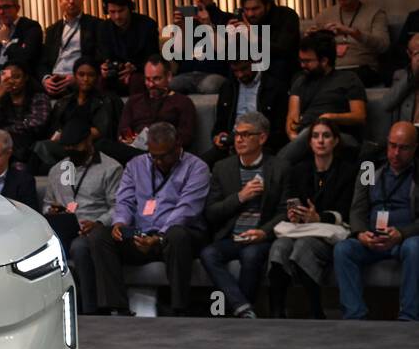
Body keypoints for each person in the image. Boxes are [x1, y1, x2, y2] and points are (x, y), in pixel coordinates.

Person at [83, 122, 210, 315]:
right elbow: (125, 200)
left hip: (176, 234)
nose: (158, 161)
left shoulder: (196, 168)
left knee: (177, 236)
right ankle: (117, 307)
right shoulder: (136, 165)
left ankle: (180, 308)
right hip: (141, 233)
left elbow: (187, 209)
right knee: (99, 236)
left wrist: (159, 237)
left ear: (178, 144)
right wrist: (120, 223)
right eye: (154, 156)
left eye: (164, 155)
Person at [199, 112, 288, 318]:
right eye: (237, 134)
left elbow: (284, 211)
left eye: (246, 135)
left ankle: (239, 311)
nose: (239, 139)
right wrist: (240, 197)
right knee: (208, 254)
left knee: (251, 254)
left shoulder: (279, 167)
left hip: (260, 236)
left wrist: (264, 233)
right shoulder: (222, 168)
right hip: (232, 236)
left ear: (262, 138)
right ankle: (242, 308)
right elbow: (211, 212)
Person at [267, 118, 355, 319]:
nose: (321, 141)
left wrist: (319, 217)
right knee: (279, 247)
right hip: (302, 228)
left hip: (330, 233)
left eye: (326, 136)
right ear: (309, 143)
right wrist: (294, 214)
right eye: (315, 136)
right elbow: (291, 199)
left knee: (303, 246)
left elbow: (348, 209)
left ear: (336, 141)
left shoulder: (348, 171)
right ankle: (277, 312)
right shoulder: (299, 170)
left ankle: (316, 310)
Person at [333, 122, 419, 321]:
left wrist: (402, 233)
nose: (396, 153)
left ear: (415, 148)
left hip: (403, 239)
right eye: (392, 145)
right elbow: (358, 207)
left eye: (403, 148)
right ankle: (355, 316)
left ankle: (409, 317)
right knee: (343, 249)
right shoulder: (370, 166)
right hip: (372, 238)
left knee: (415, 247)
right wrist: (361, 233)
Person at [44, 117, 123, 314]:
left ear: (88, 141)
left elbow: (118, 207)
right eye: (67, 147)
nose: (71, 151)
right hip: (64, 227)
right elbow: (47, 203)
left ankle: (90, 311)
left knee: (79, 247)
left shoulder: (110, 168)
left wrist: (98, 223)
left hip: (94, 230)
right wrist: (51, 211)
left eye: (76, 146)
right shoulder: (58, 170)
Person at [282, 31, 366, 163]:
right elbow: (292, 117)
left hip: (339, 136)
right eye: (301, 60)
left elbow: (359, 116)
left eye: (307, 61)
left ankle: (273, 173)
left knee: (314, 132)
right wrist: (294, 138)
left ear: (324, 61)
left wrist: (329, 117)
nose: (302, 65)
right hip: (305, 137)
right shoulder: (300, 81)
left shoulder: (349, 79)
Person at [99, 58, 196, 164]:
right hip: (135, 150)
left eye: (156, 79)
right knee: (102, 145)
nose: (151, 85)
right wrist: (130, 138)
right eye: (147, 79)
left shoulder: (182, 102)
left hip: (165, 150)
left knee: (164, 154)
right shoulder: (134, 101)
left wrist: (156, 140)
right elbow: (122, 131)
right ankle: (144, 159)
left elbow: (186, 138)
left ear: (168, 76)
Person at [306, 0, 391, 87]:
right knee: (300, 78)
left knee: (345, 80)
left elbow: (383, 46)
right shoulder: (325, 14)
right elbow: (313, 51)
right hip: (330, 68)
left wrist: (353, 32)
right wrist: (310, 39)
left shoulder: (375, 13)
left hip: (361, 69)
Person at [33, 59, 121, 171]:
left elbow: (101, 130)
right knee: (36, 149)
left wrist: (70, 135)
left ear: (98, 77)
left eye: (91, 75)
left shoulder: (106, 100)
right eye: (81, 74)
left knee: (42, 147)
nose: (85, 79)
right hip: (65, 144)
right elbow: (54, 128)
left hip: (90, 145)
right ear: (74, 76)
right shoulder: (64, 102)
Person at [202, 55, 289, 166]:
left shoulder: (275, 88)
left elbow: (280, 133)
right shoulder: (228, 87)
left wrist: (256, 138)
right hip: (231, 143)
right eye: (235, 71)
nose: (240, 75)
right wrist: (217, 137)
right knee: (198, 166)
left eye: (244, 69)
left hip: (262, 145)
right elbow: (219, 124)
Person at [168, 0, 236, 94]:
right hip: (187, 73)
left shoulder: (226, 18)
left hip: (213, 73)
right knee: (172, 85)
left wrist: (208, 25)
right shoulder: (187, 20)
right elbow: (177, 56)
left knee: (210, 86)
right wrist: (181, 29)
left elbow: (225, 52)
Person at [225, 0, 301, 84]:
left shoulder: (286, 16)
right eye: (246, 9)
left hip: (279, 65)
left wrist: (252, 37)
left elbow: (284, 50)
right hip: (251, 67)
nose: (250, 14)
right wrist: (230, 37)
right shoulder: (242, 18)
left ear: (268, 5)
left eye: (255, 9)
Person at [95, 0, 159, 97]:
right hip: (114, 76)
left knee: (136, 81)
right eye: (112, 12)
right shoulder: (103, 28)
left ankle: (139, 113)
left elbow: (154, 58)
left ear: (130, 8)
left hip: (139, 73)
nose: (117, 16)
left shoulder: (147, 25)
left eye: (121, 11)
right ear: (106, 10)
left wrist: (135, 67)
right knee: (100, 82)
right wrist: (104, 68)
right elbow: (101, 56)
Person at [0, 61, 50, 165]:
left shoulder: (38, 97)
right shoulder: (0, 98)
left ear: (26, 78)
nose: (12, 82)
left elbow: (36, 124)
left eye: (17, 77)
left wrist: (5, 132)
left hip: (29, 146)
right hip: (1, 145)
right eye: (8, 78)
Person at [40, 0, 99, 98]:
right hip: (55, 77)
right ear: (60, 1)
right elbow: (44, 60)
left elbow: (98, 57)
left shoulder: (96, 25)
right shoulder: (52, 30)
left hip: (79, 77)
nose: (71, 1)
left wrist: (78, 77)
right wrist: (46, 79)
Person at [381, 32, 419, 127]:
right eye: (417, 53)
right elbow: (386, 104)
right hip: (409, 134)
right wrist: (413, 73)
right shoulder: (401, 75)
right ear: (409, 55)